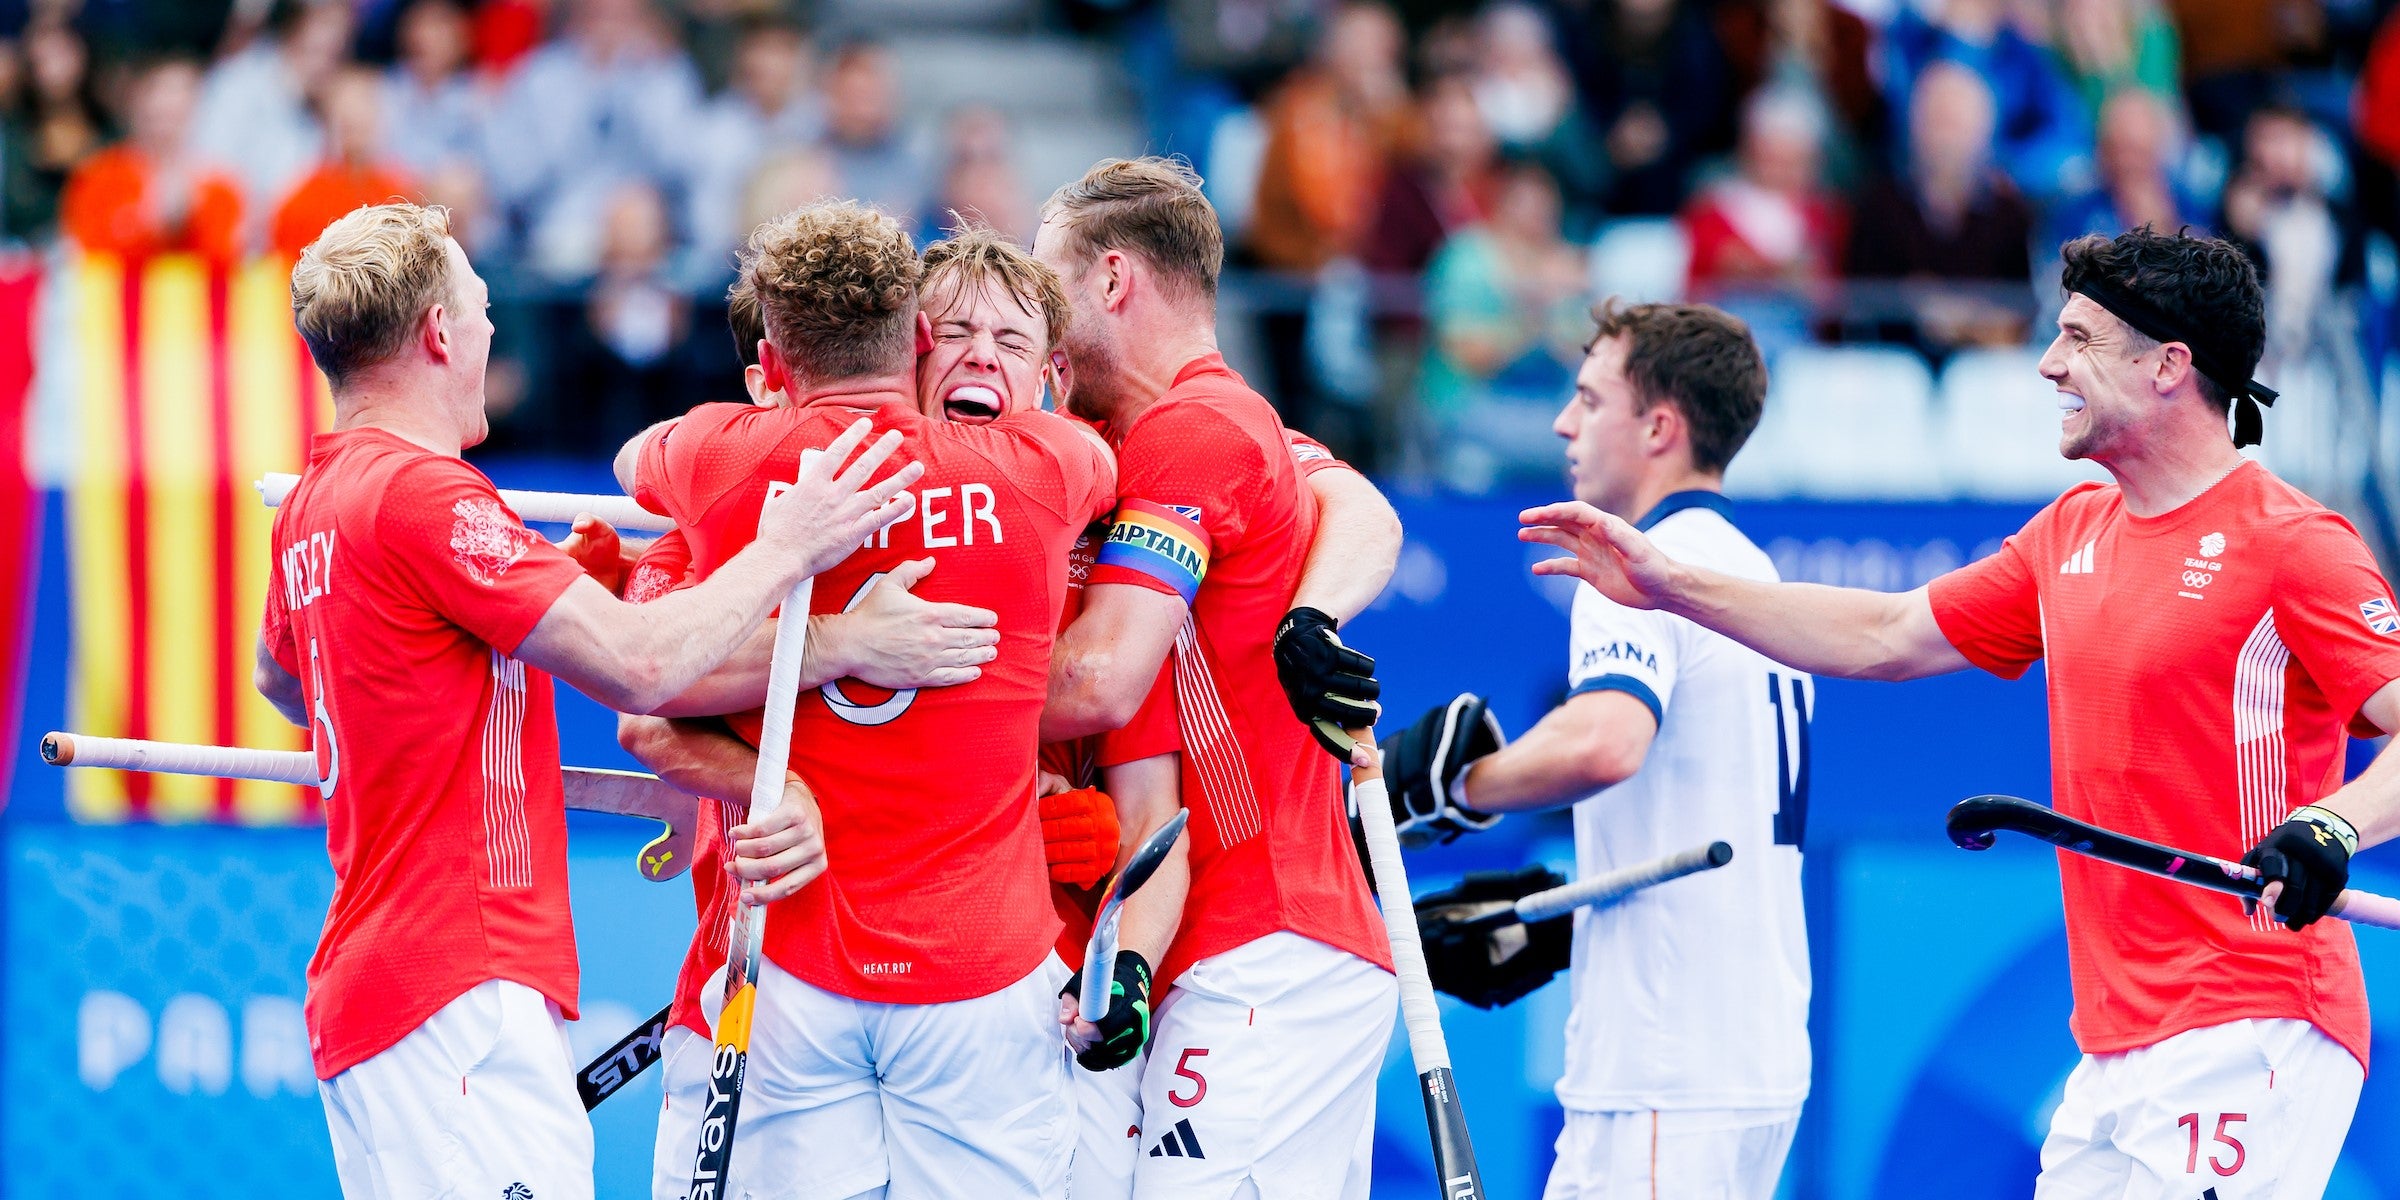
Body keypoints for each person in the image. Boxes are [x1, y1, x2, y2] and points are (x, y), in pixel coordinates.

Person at [1521, 226, 2400, 1198]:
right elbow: (1886, 633)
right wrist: (1671, 584)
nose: (2048, 363)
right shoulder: (2071, 531)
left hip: (2259, 1016)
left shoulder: (2295, 545)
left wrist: (2335, 823)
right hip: (2113, 1044)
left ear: (2167, 365)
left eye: (2078, 339)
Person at [250, 201, 923, 1200]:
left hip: (393, 984)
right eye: (479, 310)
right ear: (438, 332)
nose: (488, 333)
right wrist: (790, 553)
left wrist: (501, 605)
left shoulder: (315, 500)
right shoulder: (427, 495)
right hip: (454, 982)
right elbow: (644, 666)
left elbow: (284, 677)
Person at [622, 200, 1117, 1199]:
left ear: (774, 357)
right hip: (979, 970)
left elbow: (639, 463)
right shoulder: (1046, 467)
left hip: (794, 962)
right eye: (962, 334)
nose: (981, 357)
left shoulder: (724, 458)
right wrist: (846, 640)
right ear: (919, 339)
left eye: (1009, 341)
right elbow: (1105, 460)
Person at [1383, 301, 1812, 1198]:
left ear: (1660, 426)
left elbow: (1609, 739)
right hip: (1750, 1049)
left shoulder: (1636, 567)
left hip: (1664, 1060)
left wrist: (1451, 789)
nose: (1562, 422)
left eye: (1588, 399)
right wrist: (1567, 911)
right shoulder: (1751, 571)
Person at [1035, 156, 1397, 1199]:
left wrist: (901, 705)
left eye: (1045, 285)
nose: (1036, 328)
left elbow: (1101, 678)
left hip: (1267, 946)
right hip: (1222, 946)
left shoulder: (1191, 432)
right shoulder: (1186, 429)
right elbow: (1365, 505)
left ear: (1110, 281)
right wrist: (1312, 612)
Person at [59, 56, 244, 262]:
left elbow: (227, 265)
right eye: (157, 109)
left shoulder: (221, 188)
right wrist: (147, 226)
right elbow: (84, 260)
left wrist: (186, 223)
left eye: (175, 111)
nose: (164, 122)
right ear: (135, 103)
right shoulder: (97, 178)